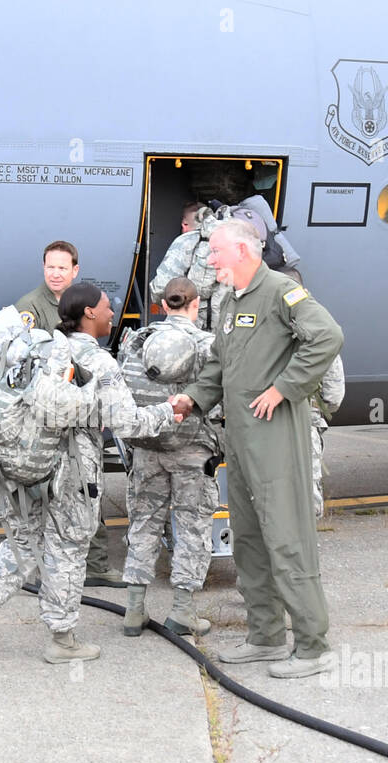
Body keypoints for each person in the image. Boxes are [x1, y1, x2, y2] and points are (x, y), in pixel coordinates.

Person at [0, 283, 178, 665]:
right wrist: (170, 412)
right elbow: (126, 422)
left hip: (27, 462)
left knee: (23, 540)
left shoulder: (43, 349)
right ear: (89, 313)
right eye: (107, 307)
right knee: (69, 549)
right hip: (72, 473)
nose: (112, 312)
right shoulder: (99, 361)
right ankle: (63, 639)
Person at [169, 220, 343, 678]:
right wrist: (193, 398)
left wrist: (285, 387)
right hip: (241, 442)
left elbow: (327, 337)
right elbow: (219, 366)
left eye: (217, 252)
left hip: (276, 439)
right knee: (248, 540)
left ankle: (312, 644)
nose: (210, 260)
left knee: (287, 538)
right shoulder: (231, 301)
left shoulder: (280, 292)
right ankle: (265, 636)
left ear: (244, 250)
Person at [12, 240, 123, 588]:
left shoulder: (84, 304)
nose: (55, 273)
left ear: (75, 270)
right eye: (50, 267)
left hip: (82, 415)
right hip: (49, 418)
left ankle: (97, 563)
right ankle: (45, 570)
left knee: (89, 489)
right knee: (47, 496)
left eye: (63, 267)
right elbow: (21, 362)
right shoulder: (29, 307)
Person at [122, 278, 220, 638]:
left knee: (143, 524)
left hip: (147, 447)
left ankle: (134, 610)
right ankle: (182, 611)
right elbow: (218, 396)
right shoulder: (208, 344)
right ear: (195, 305)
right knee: (193, 526)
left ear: (163, 305)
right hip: (192, 450)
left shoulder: (138, 339)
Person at [149, 202, 228, 331]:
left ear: (184, 225)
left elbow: (160, 288)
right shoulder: (234, 240)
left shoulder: (184, 241)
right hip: (226, 330)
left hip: (191, 329)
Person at [310, 355, 345, 518]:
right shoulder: (318, 332)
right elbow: (334, 397)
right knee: (308, 487)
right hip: (306, 421)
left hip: (258, 423)